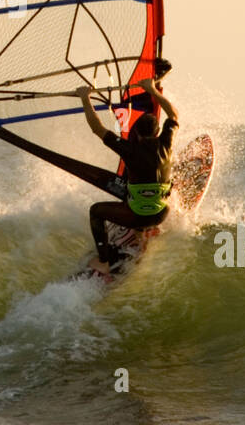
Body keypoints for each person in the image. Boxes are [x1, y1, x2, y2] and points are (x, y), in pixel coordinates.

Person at [75, 76, 179, 276]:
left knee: (96, 211)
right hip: (161, 215)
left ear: (137, 134)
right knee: (145, 186)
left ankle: (104, 260)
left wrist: (85, 98)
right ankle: (142, 234)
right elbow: (173, 115)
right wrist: (152, 91)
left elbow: (97, 128)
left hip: (137, 215)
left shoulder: (129, 149)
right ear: (157, 132)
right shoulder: (166, 142)